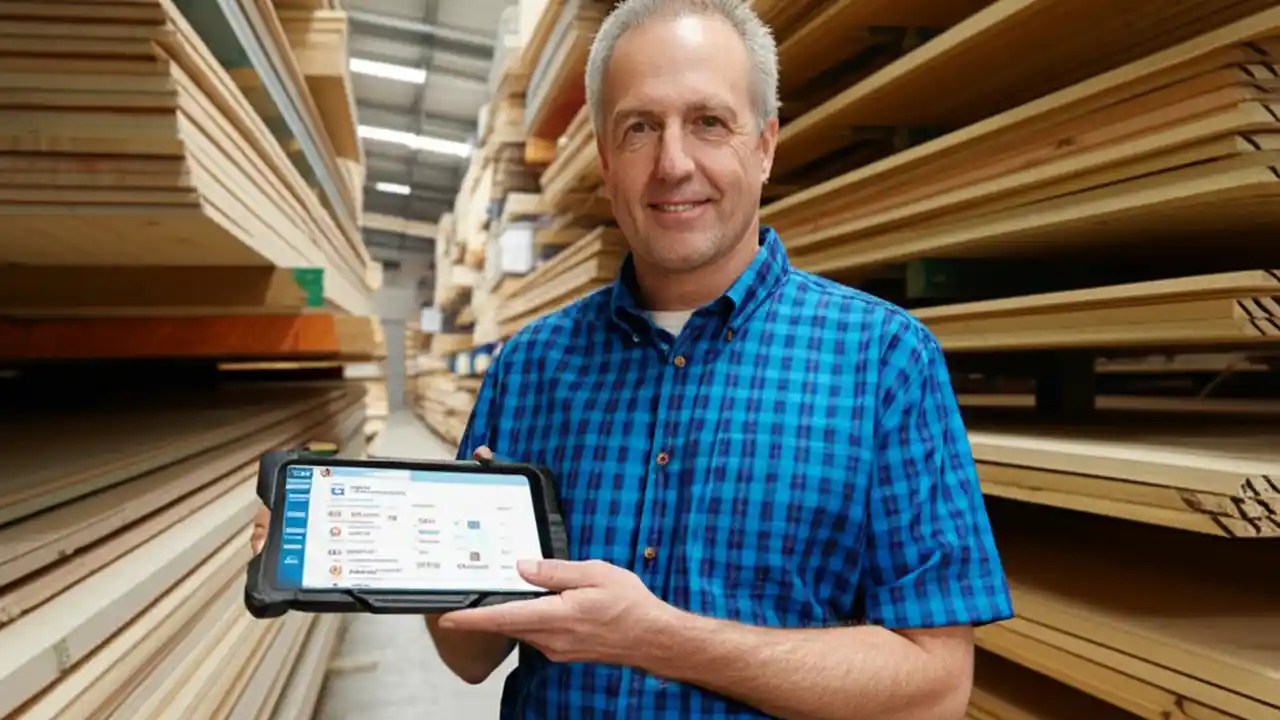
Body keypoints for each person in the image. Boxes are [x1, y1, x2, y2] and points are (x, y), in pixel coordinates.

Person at [253, 1, 1013, 717]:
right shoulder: (532, 368)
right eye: (640, 128)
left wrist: (657, 637)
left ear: (765, 144)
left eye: (709, 122)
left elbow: (935, 690)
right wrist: (369, 553)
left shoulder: (883, 362)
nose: (673, 162)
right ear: (606, 161)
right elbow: (472, 653)